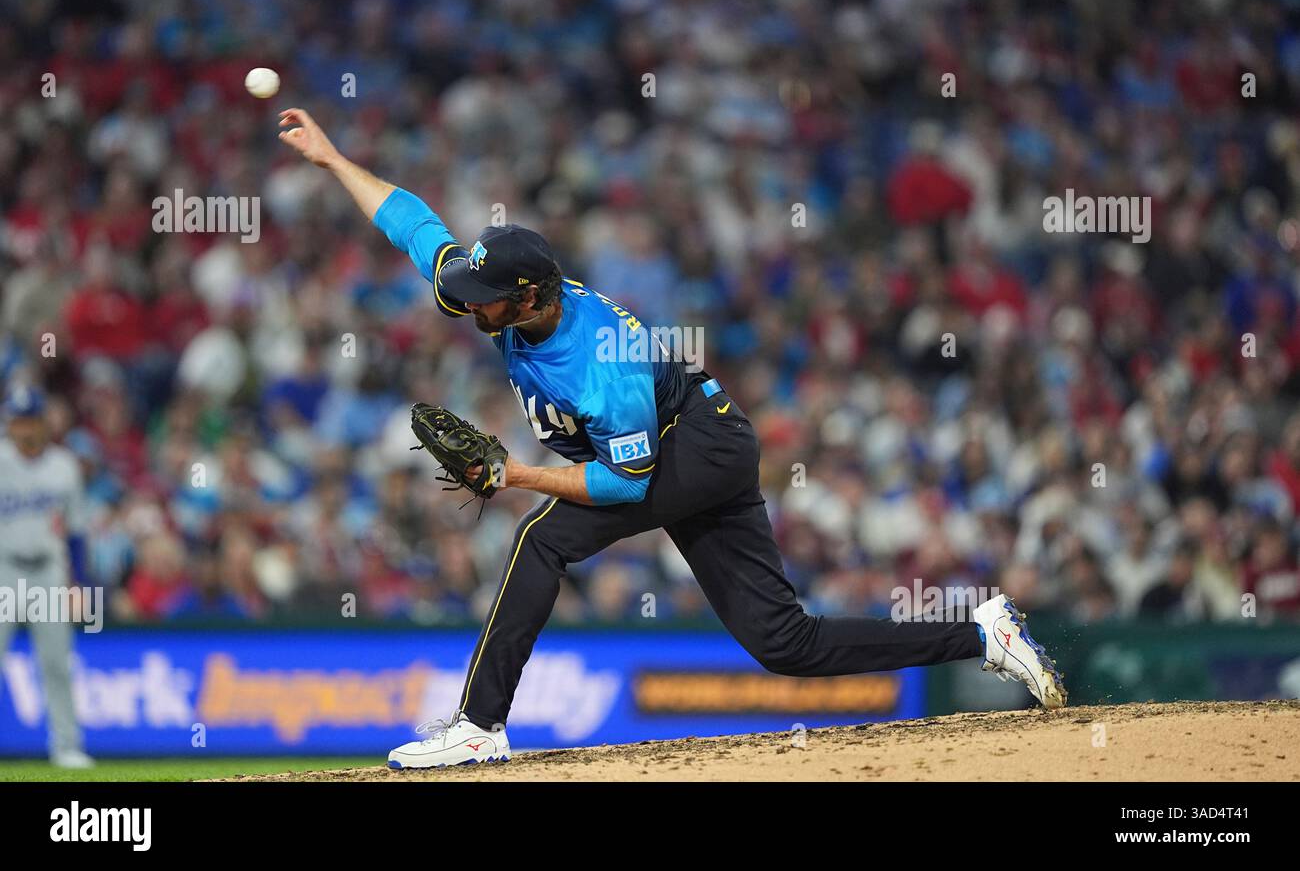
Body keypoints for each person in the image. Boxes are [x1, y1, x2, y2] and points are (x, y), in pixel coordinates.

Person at [277, 108, 1067, 769]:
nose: (467, 307)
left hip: (694, 447)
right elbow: (416, 228)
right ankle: (985, 635)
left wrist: (517, 475)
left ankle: (480, 727)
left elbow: (624, 487)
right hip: (698, 438)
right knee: (784, 642)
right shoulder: (511, 299)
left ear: (528, 300)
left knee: (540, 540)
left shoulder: (599, 368)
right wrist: (333, 158)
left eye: (485, 299)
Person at [0, 385, 94, 768]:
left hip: (48, 572)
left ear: (43, 423)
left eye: (28, 420)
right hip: (4, 569)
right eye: (16, 421)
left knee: (56, 662)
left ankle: (67, 746)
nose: (22, 429)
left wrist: (81, 583)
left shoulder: (64, 465)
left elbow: (76, 532)